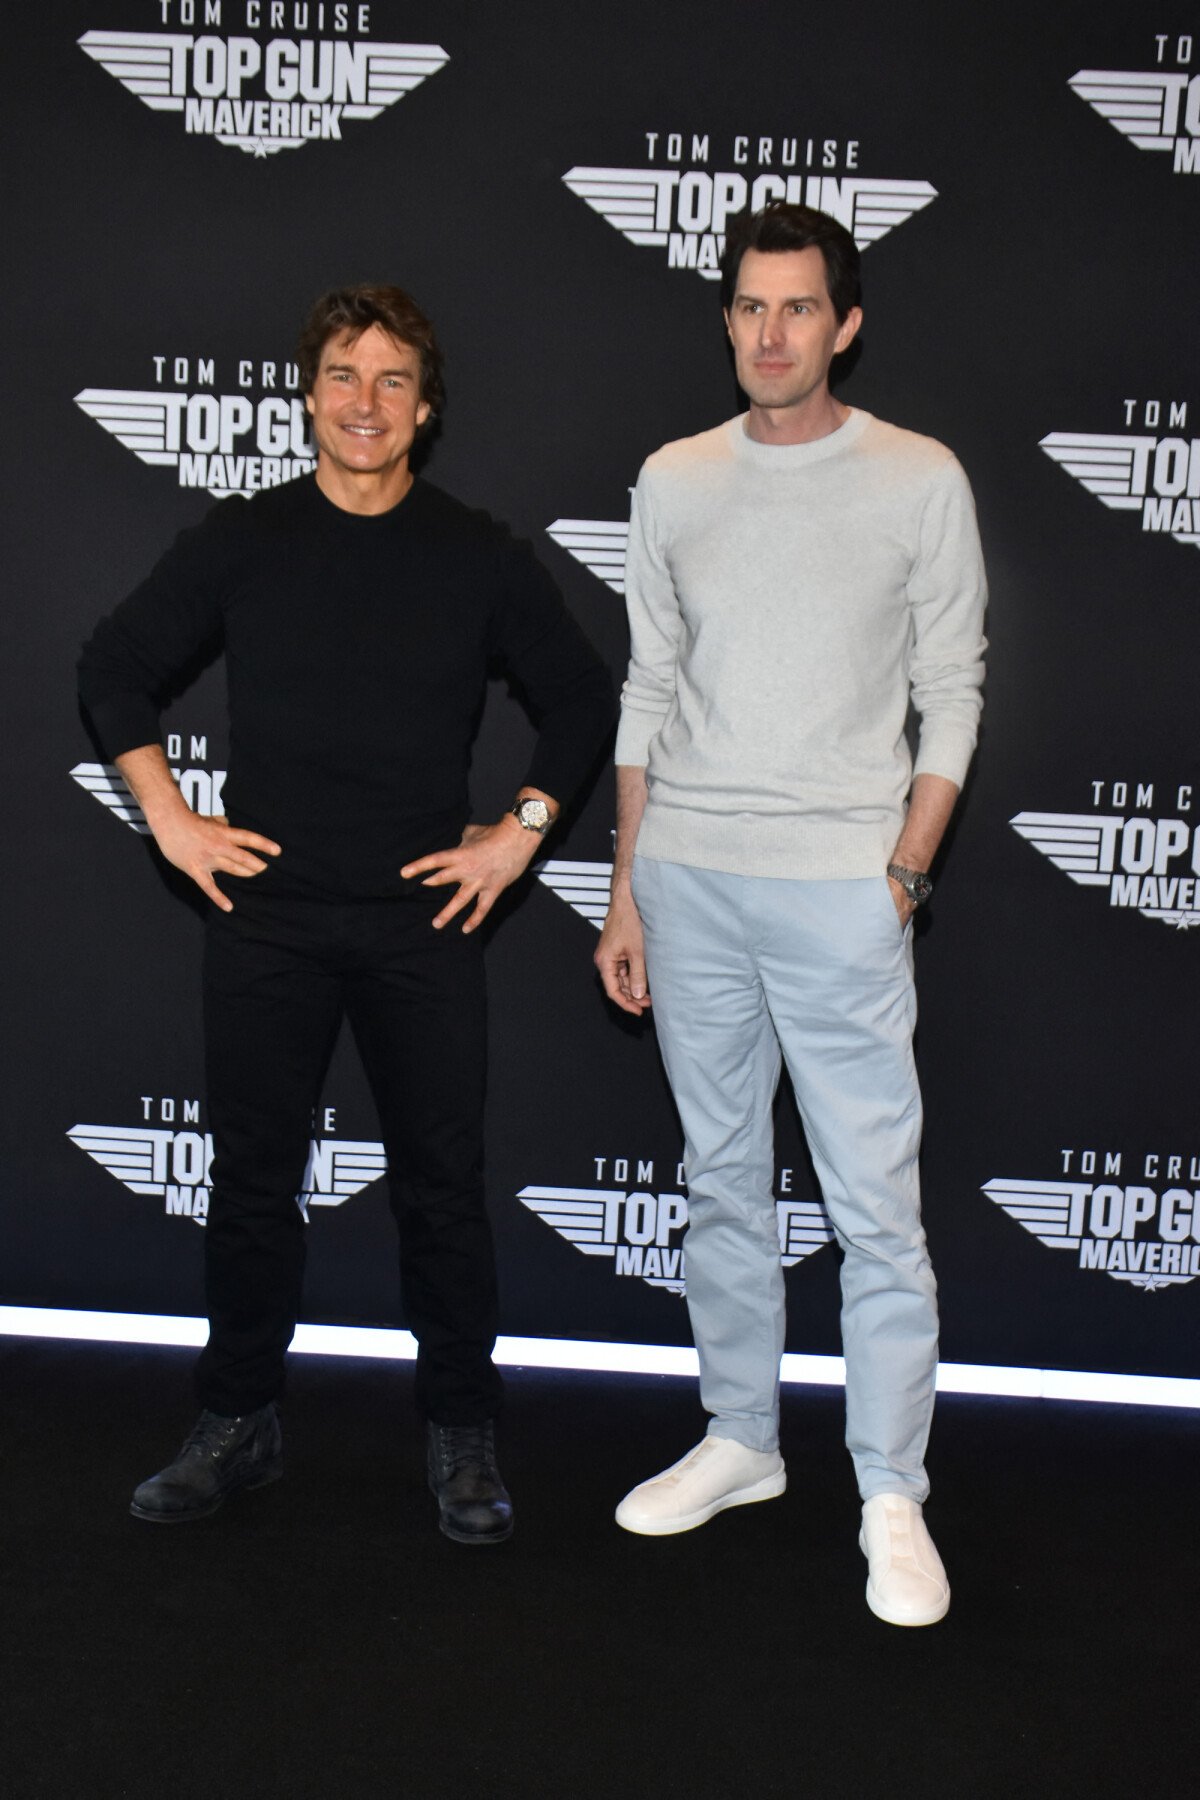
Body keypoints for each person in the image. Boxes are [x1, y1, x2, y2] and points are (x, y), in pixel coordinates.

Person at [79, 284, 614, 1544]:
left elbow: (582, 699)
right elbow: (113, 668)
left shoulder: (479, 554)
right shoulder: (243, 540)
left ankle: (461, 1434)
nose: (362, 402)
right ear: (306, 394)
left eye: (389, 382)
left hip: (422, 923)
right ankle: (238, 1421)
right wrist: (167, 814)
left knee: (442, 1187)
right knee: (254, 1185)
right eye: (340, 375)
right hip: (265, 919)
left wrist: (519, 835)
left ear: (423, 410)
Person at [594, 203, 987, 1625]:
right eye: (750, 308)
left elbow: (957, 690)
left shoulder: (917, 478)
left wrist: (902, 874)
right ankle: (743, 1440)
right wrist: (629, 886)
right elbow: (645, 691)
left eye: (799, 309)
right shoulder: (675, 479)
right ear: (729, 320)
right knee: (719, 1184)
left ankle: (893, 1491)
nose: (771, 334)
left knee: (875, 1210)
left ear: (847, 321)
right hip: (689, 879)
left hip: (841, 892)